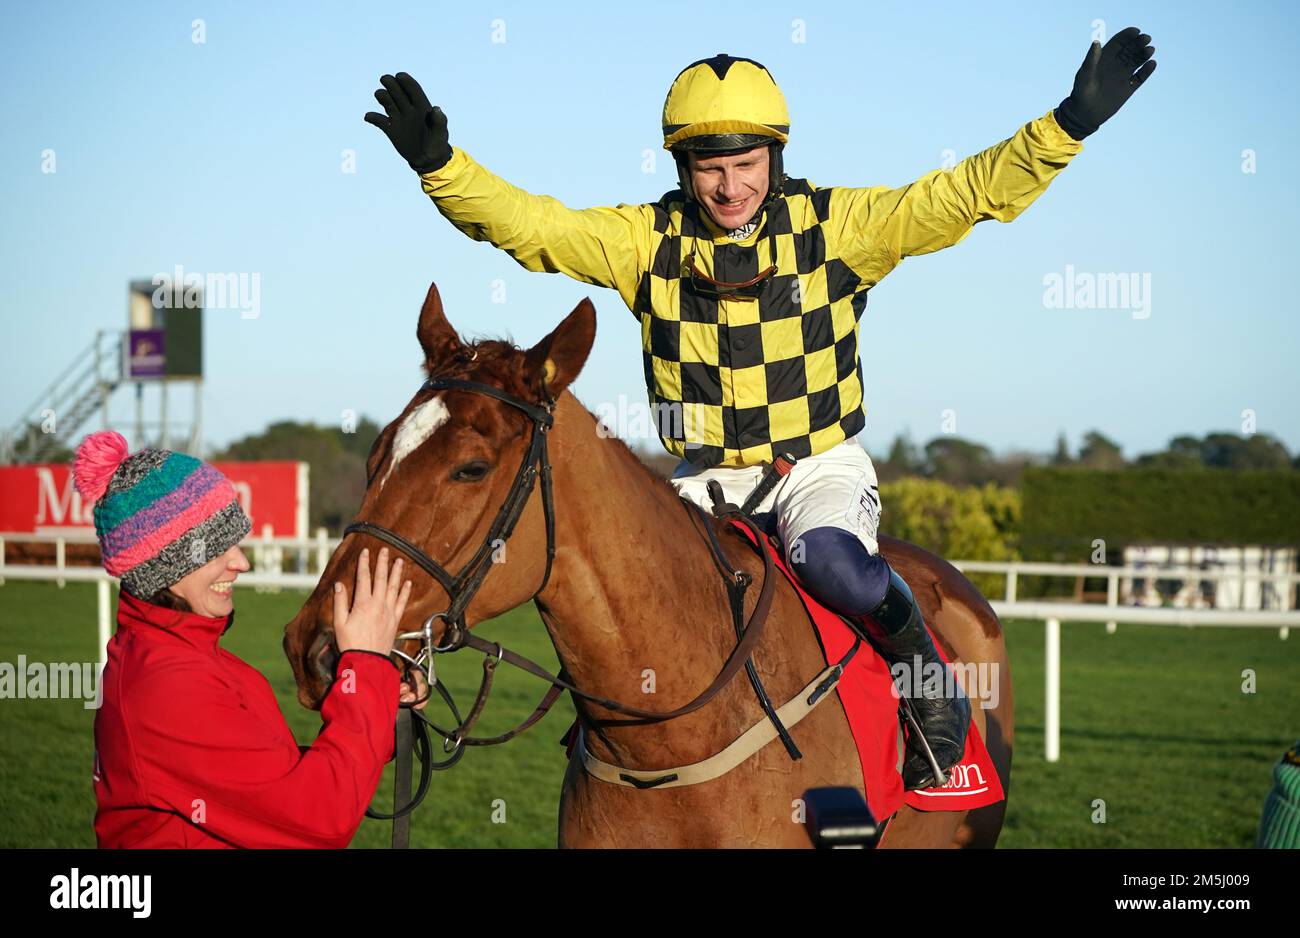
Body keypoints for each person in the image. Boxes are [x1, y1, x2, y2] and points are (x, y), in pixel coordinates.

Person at [363, 31, 1155, 789]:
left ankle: (926, 678)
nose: (730, 186)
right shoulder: (643, 240)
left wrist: (1068, 124)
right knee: (624, 601)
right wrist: (441, 166)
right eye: (710, 168)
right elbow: (532, 225)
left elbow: (959, 196)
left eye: (746, 163)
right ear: (683, 168)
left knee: (830, 563)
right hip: (704, 482)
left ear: (775, 157)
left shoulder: (839, 229)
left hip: (815, 470)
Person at [77, 430, 421, 848]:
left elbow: (272, 783)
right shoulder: (167, 686)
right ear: (162, 568)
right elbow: (319, 816)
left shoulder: (189, 661)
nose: (241, 562)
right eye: (217, 550)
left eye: (236, 544)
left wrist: (382, 704)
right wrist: (365, 664)